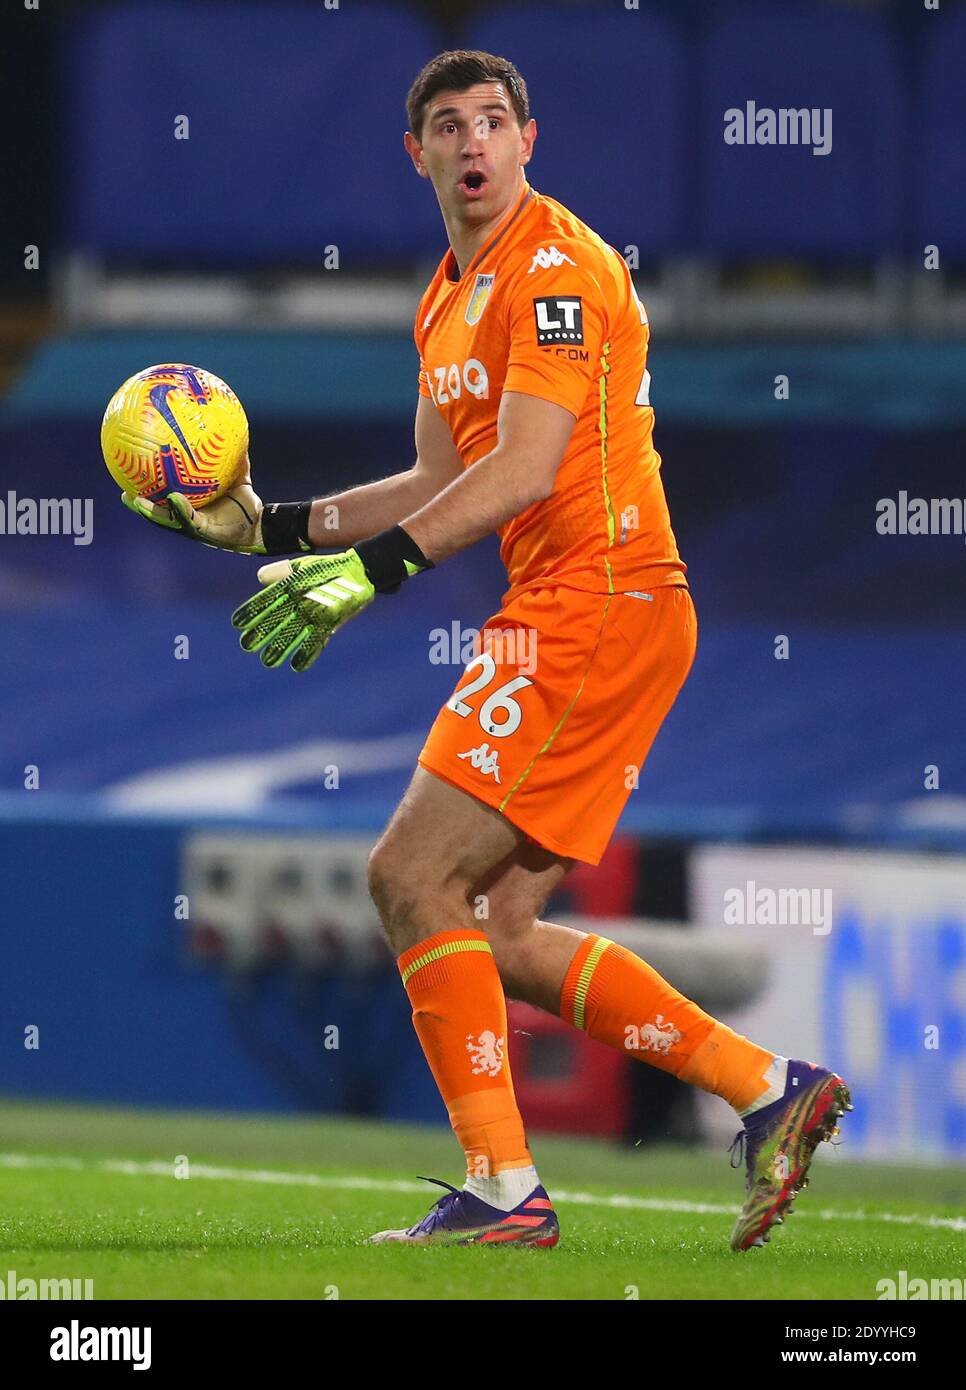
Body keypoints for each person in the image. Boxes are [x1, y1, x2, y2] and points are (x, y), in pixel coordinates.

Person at [123, 49, 850, 1251]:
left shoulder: (557, 267)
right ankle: (767, 1087)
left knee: (408, 878)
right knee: (493, 927)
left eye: (494, 121)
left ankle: (506, 1194)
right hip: (579, 606)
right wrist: (274, 523)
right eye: (450, 126)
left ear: (527, 140)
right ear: (418, 155)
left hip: (597, 600)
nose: (474, 143)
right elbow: (441, 478)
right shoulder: (445, 295)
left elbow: (526, 470)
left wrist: (373, 570)